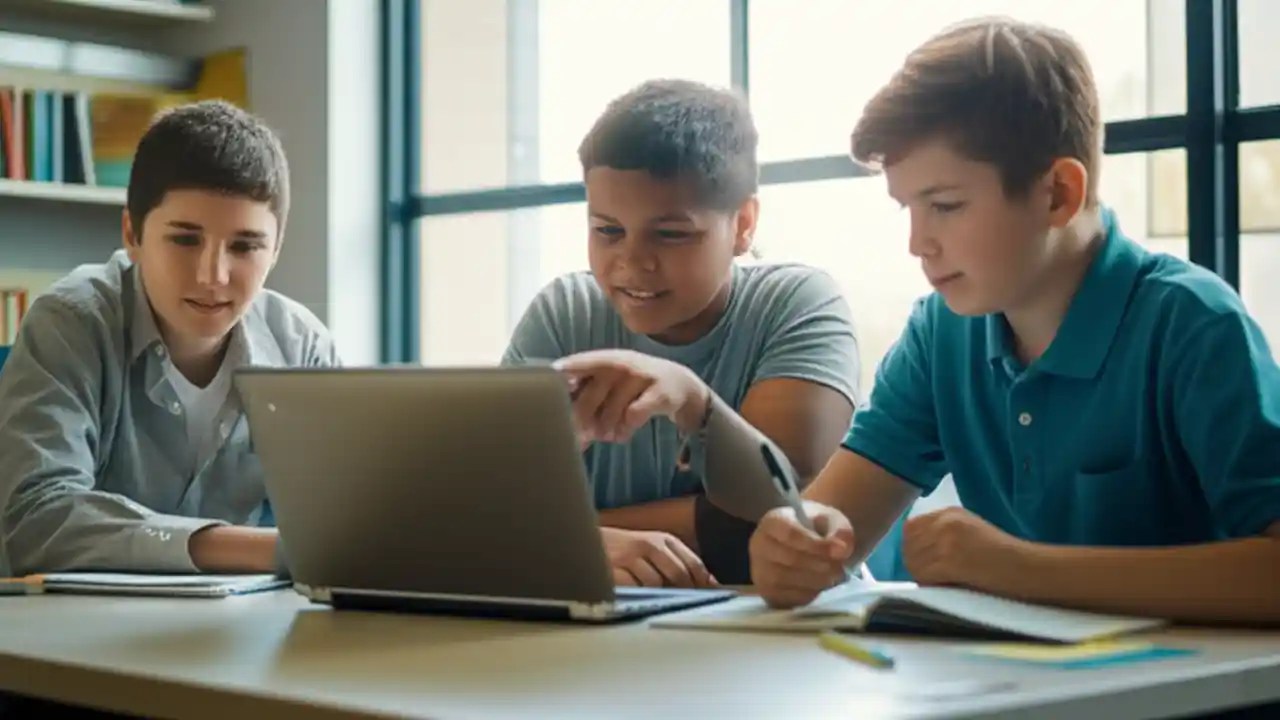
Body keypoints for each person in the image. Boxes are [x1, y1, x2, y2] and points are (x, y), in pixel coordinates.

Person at [746, 17, 1280, 623]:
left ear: (1057, 194)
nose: (918, 243)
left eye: (945, 206)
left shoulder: (1192, 324)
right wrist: (793, 552)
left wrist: (1015, 567)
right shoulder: (941, 332)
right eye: (908, 209)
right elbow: (831, 529)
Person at [503, 79, 879, 587]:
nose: (631, 262)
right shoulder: (563, 313)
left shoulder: (798, 302)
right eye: (607, 230)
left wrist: (690, 400)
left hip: (790, 627)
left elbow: (779, 512)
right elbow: (487, 513)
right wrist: (590, 544)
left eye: (671, 234)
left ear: (743, 224)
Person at [0, 100, 338, 577]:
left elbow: (348, 522)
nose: (213, 275)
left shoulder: (301, 346)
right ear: (132, 235)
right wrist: (270, 552)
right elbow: (38, 522)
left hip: (231, 627)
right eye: (184, 239)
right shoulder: (70, 323)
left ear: (276, 248)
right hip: (70, 628)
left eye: (245, 246)